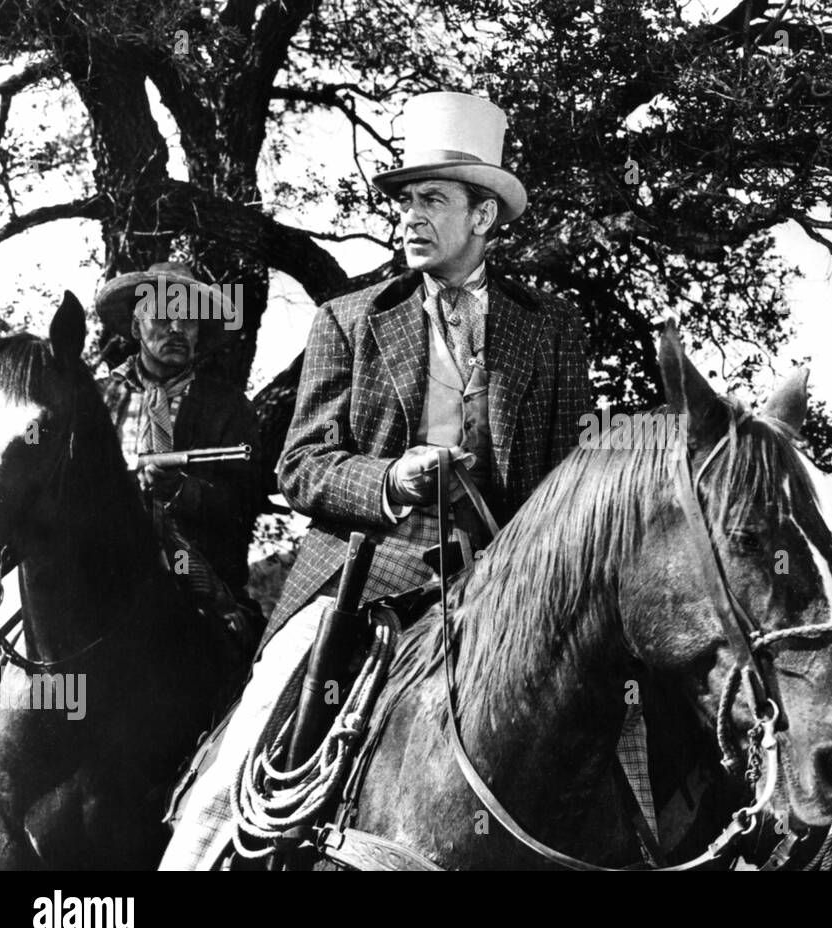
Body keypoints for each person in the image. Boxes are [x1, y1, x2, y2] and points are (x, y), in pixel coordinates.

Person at [160, 91, 591, 870]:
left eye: (433, 199)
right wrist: (393, 479)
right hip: (362, 571)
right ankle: (194, 853)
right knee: (264, 712)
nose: (410, 218)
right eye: (404, 202)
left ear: (484, 217)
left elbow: (568, 476)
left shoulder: (553, 329)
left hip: (510, 579)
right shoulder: (348, 320)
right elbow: (301, 465)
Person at [96, 261, 263, 663]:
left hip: (196, 589)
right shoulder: (97, 399)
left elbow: (243, 505)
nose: (176, 328)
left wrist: (180, 490)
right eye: (163, 316)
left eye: (188, 321)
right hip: (96, 576)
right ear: (137, 328)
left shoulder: (228, 408)